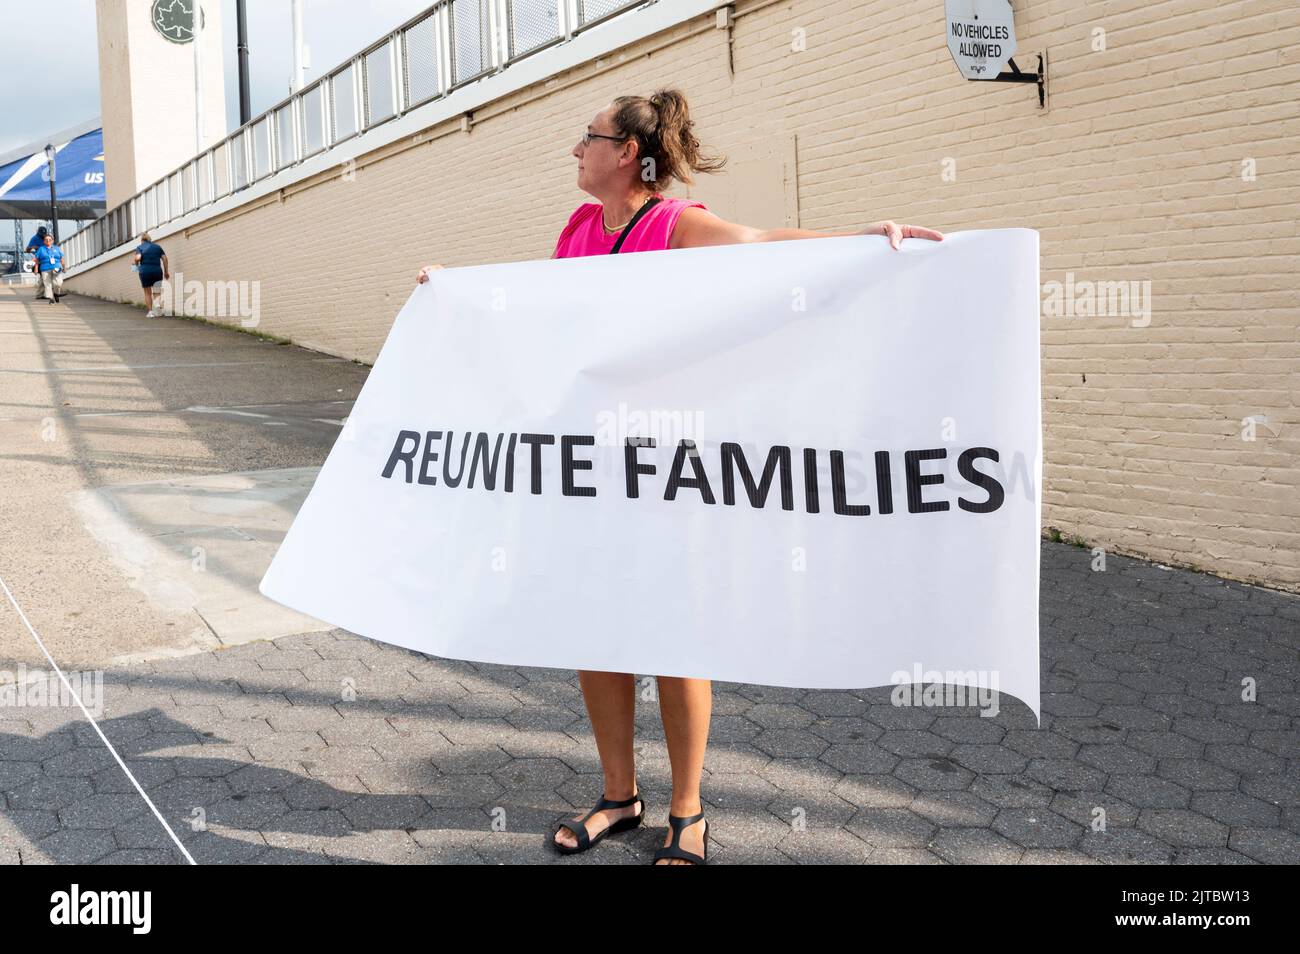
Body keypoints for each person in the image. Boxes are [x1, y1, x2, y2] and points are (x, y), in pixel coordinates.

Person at [417, 87, 943, 865]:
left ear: (627, 152)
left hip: (663, 463)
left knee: (672, 631)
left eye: (587, 138)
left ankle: (687, 812)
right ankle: (619, 796)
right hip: (591, 463)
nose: (576, 150)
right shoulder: (576, 227)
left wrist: (861, 242)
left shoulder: (674, 224)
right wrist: (452, 294)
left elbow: (764, 242)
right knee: (596, 628)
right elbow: (539, 315)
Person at [133, 233, 169, 318]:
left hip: (145, 271)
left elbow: (137, 258)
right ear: (150, 240)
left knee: (147, 292)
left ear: (142, 240)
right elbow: (165, 259)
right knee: (157, 291)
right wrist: (166, 272)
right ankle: (157, 307)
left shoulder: (140, 247)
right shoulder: (157, 247)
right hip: (157, 271)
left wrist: (136, 266)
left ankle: (150, 312)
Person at [34, 233, 65, 305]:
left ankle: (56, 294)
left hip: (57, 268)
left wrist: (64, 267)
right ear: (44, 241)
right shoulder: (41, 249)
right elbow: (37, 259)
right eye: (46, 240)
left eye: (49, 240)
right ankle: (51, 298)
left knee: (58, 283)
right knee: (47, 284)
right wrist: (36, 268)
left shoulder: (56, 248)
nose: (48, 241)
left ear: (52, 241)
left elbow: (62, 258)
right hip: (45, 269)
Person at [25, 225, 50, 299]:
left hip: (49, 259)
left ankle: (42, 294)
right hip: (40, 261)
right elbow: (27, 250)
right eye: (42, 235)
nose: (43, 236)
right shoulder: (34, 238)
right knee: (45, 276)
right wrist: (32, 247)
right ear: (38, 233)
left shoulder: (47, 237)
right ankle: (43, 294)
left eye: (44, 235)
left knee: (47, 276)